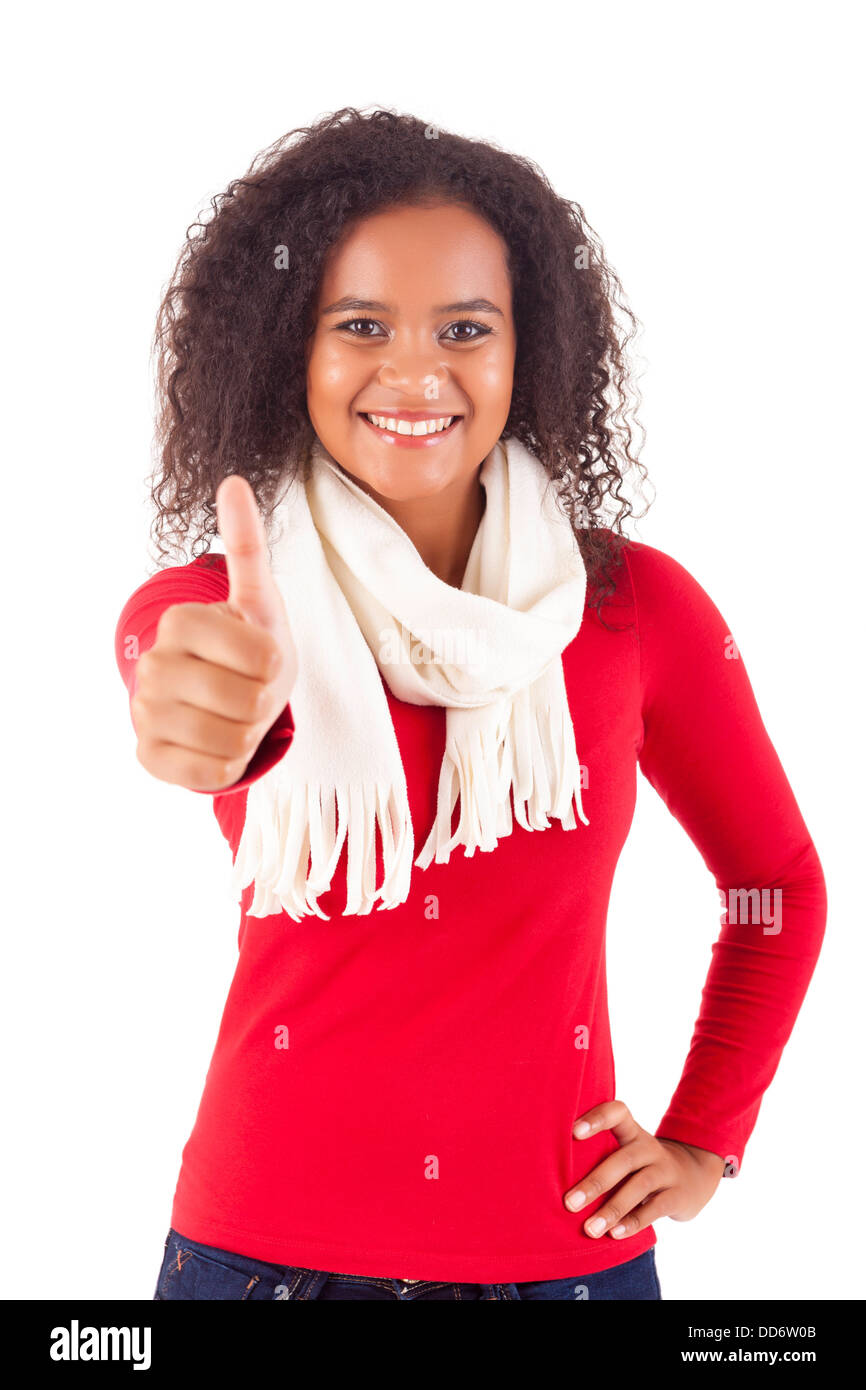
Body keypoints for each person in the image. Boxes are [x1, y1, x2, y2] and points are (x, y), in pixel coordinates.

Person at [115, 108, 826, 1301]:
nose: (413, 371)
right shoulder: (218, 608)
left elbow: (776, 886)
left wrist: (707, 1136)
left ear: (523, 349)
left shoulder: (632, 608)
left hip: (566, 1264)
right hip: (257, 1264)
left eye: (463, 327)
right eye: (357, 326)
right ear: (286, 346)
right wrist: (203, 714)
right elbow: (172, 674)